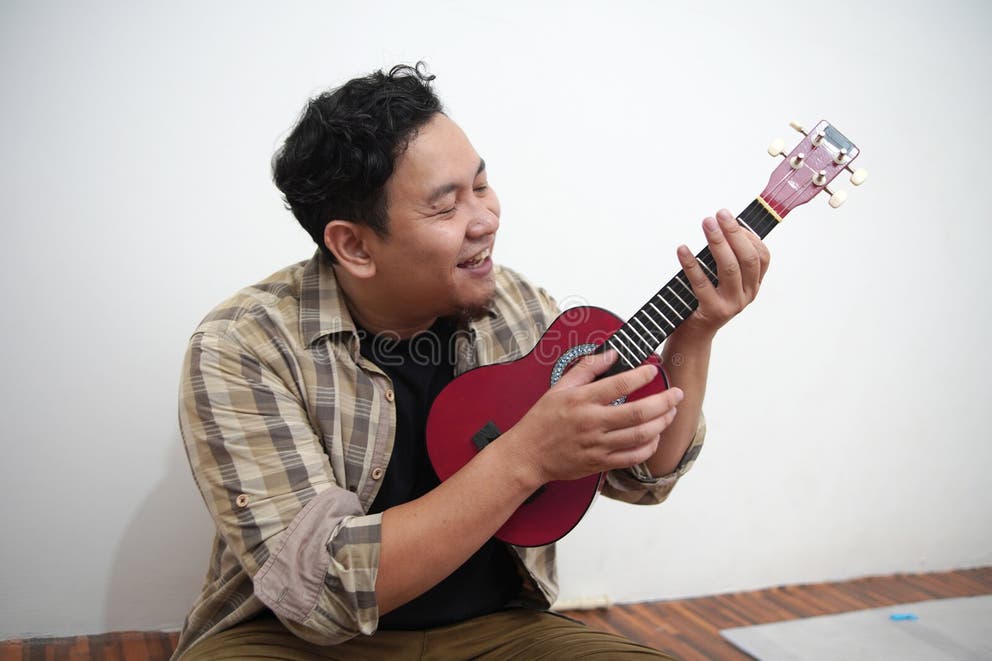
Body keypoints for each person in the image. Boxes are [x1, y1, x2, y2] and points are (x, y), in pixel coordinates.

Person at [173, 63, 770, 660]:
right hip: (294, 641)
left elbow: (642, 477)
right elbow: (325, 593)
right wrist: (526, 456)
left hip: (496, 630)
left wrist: (696, 336)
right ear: (353, 245)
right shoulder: (245, 346)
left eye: (480, 186)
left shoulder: (519, 308)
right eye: (445, 206)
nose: (486, 220)